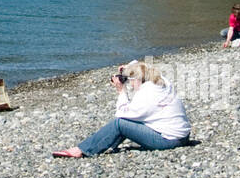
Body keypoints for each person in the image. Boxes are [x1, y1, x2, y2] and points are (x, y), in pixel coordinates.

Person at [52, 60, 191, 158]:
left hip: (169, 140)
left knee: (119, 124)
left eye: (130, 80)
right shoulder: (161, 81)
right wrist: (127, 69)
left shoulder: (146, 95)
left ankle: (81, 150)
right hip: (183, 135)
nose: (130, 84)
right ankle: (108, 144)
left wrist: (121, 91)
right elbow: (144, 67)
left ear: (136, 79)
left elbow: (122, 114)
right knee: (126, 125)